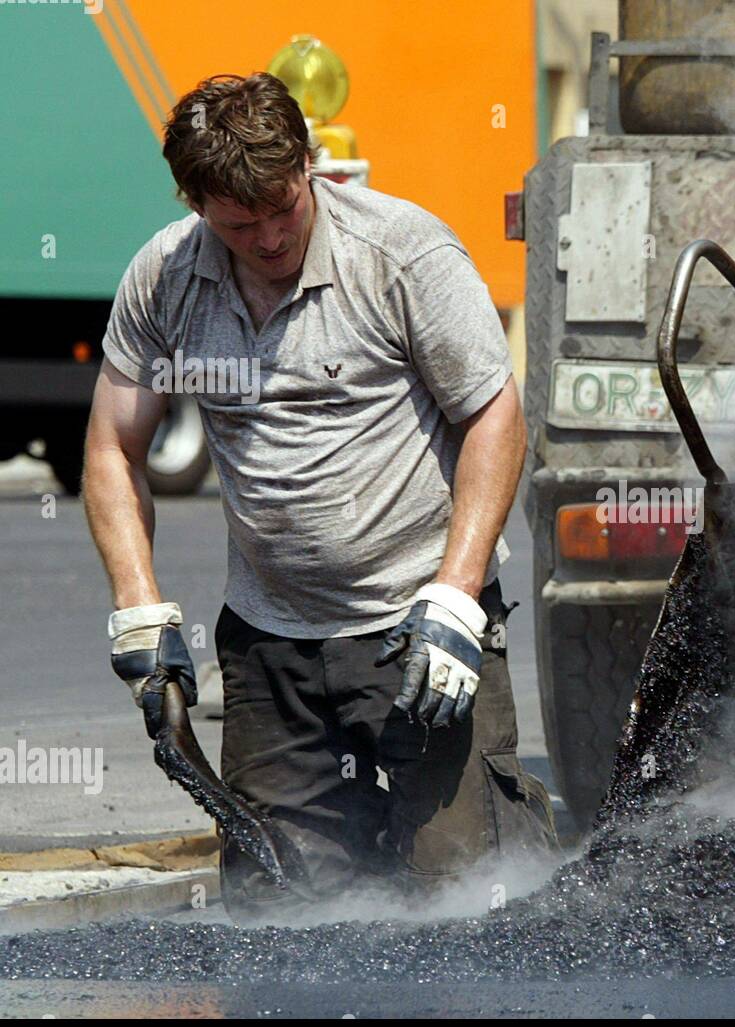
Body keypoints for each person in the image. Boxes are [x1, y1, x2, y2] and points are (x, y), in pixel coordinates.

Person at [83, 73, 556, 921]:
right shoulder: (166, 280)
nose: (268, 237)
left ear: (310, 164)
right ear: (195, 204)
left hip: (422, 631)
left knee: (471, 901)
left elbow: (494, 414)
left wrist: (457, 592)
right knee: (283, 920)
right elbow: (114, 447)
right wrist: (138, 605)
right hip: (273, 653)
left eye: (284, 207)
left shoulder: (404, 255)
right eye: (239, 222)